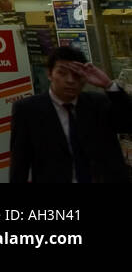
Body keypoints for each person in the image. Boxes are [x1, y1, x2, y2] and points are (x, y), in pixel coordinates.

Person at [9, 46, 132, 183]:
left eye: (76, 75)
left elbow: (127, 123)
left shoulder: (98, 104)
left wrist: (108, 85)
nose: (70, 80)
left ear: (84, 78)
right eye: (62, 73)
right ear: (49, 74)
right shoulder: (27, 110)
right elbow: (19, 163)